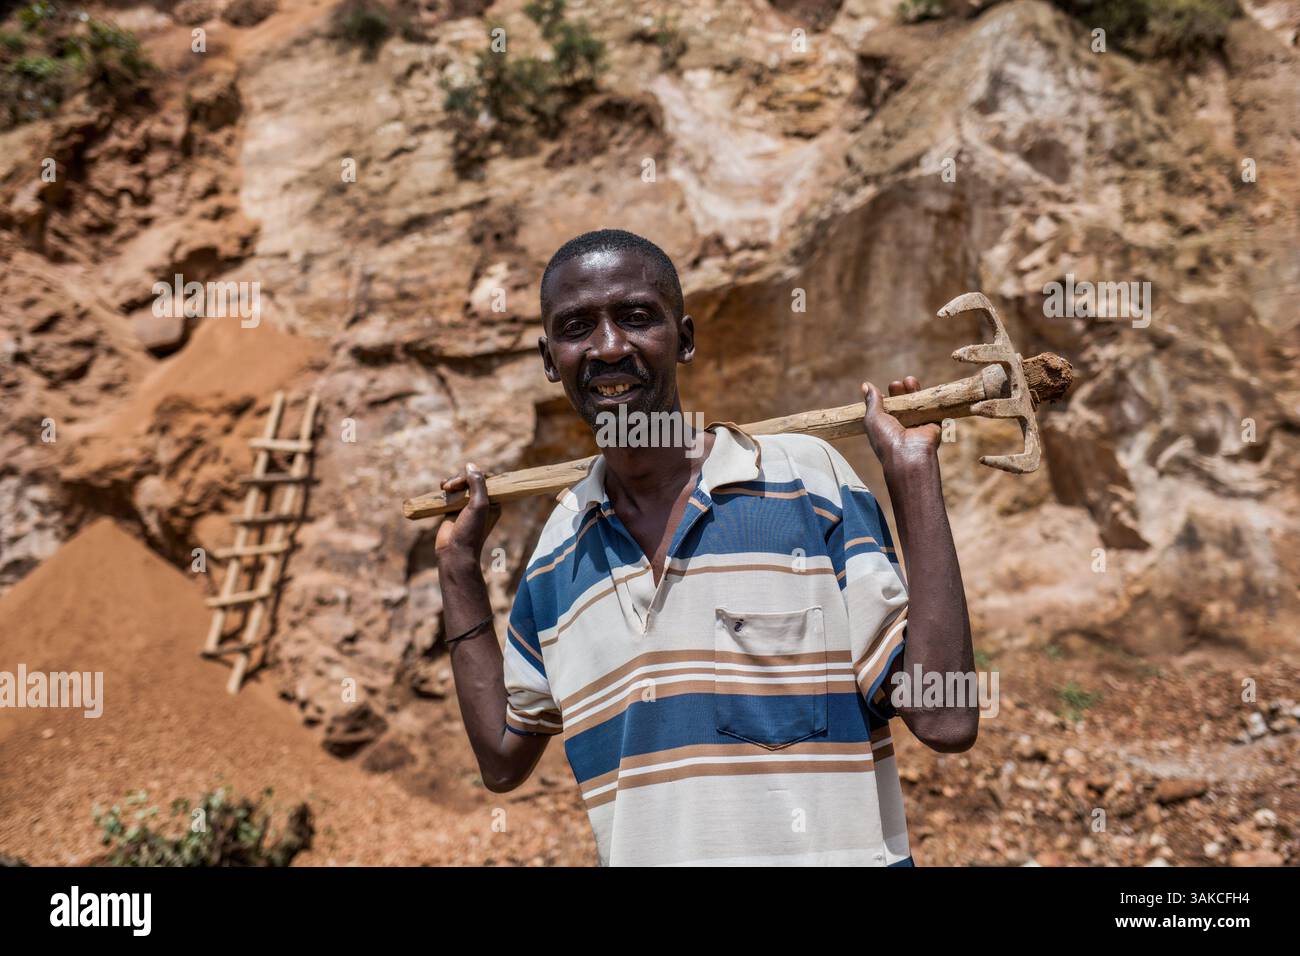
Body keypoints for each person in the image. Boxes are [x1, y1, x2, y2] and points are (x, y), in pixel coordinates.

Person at [434, 228, 977, 866]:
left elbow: (946, 718)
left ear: (684, 339)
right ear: (550, 359)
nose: (609, 347)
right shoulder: (556, 558)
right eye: (577, 326)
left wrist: (913, 478)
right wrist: (457, 568)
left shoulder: (809, 483)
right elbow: (501, 761)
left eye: (637, 317)